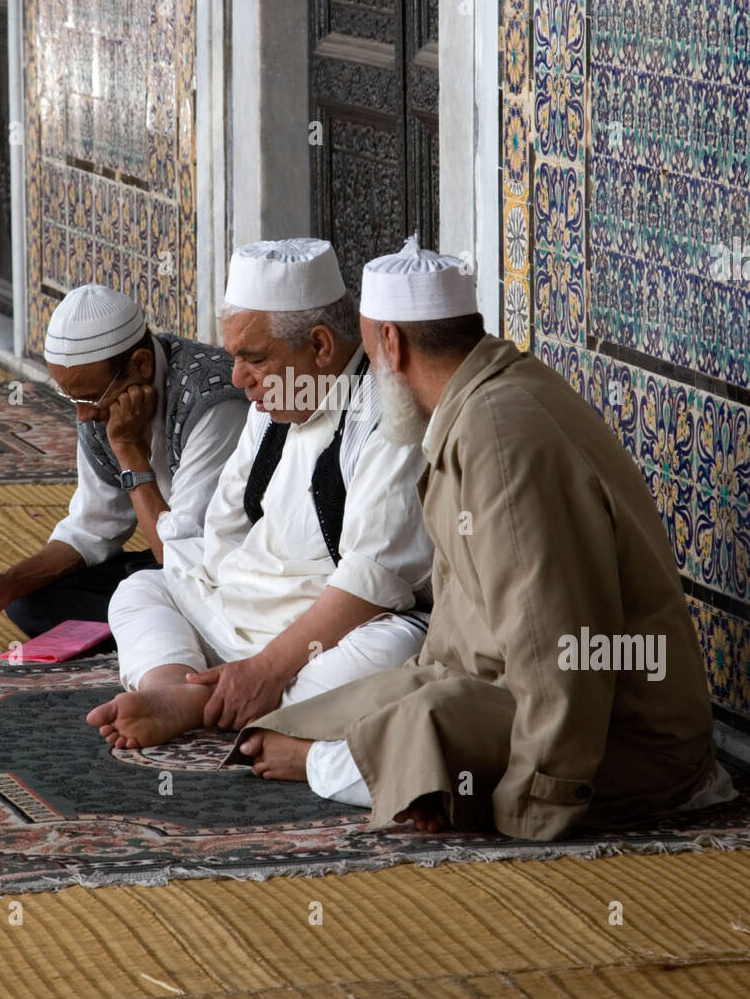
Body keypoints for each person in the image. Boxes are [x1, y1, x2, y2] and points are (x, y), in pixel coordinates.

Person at [228, 237, 735, 842]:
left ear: (390, 342)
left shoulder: (499, 437)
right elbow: (455, 642)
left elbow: (559, 659)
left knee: (423, 722)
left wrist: (532, 808)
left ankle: (327, 765)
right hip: (497, 687)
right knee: (297, 721)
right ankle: (338, 752)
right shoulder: (477, 404)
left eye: (367, 348)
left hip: (622, 738)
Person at [86, 237, 433, 748]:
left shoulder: (389, 416)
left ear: (320, 346)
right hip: (241, 611)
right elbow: (223, 528)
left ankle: (203, 699)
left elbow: (372, 581)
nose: (238, 378)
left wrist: (266, 669)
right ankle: (172, 686)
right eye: (234, 358)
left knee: (396, 650)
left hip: (329, 635)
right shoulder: (274, 402)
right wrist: (219, 597)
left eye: (254, 358)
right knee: (142, 590)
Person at [0, 285, 248, 637]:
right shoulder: (96, 402)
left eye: (89, 398)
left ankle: (173, 628)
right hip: (170, 559)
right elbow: (93, 528)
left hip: (225, 567)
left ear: (141, 364)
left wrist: (128, 449)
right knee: (28, 604)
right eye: (71, 397)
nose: (83, 415)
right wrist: (9, 583)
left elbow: (182, 558)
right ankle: (159, 626)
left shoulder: (214, 401)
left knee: (174, 594)